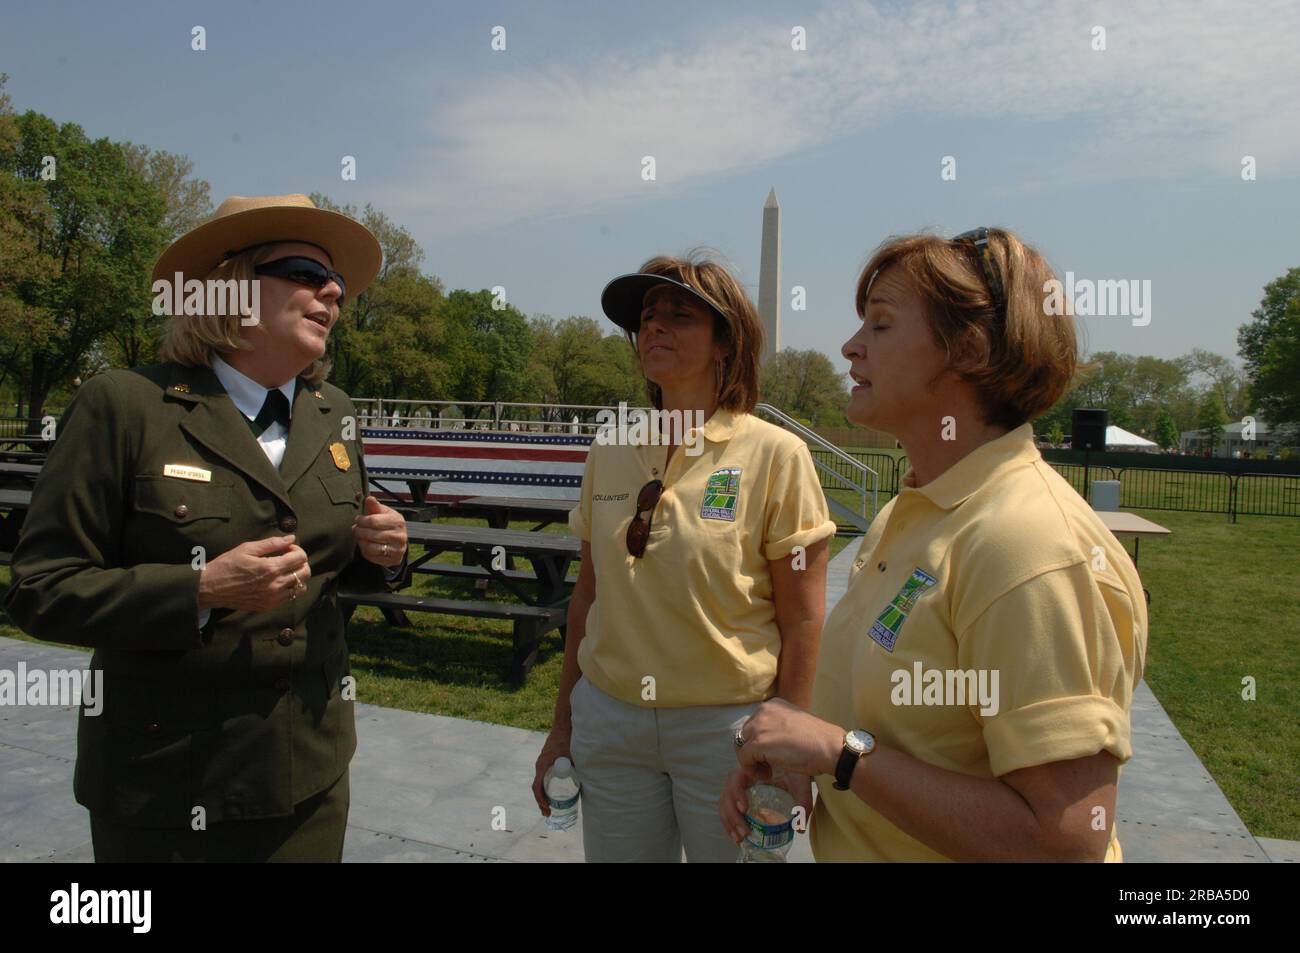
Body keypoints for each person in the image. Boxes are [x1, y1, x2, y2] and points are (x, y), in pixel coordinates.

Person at [4, 194, 409, 862]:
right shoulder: (125, 404)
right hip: (165, 784)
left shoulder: (334, 410)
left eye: (334, 280)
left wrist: (384, 556)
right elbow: (39, 588)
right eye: (306, 271)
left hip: (308, 778)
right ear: (233, 287)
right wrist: (199, 588)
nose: (333, 290)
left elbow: (330, 563)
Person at [721, 227, 1148, 862]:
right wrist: (803, 762)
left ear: (969, 349)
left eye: (882, 325)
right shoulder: (913, 511)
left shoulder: (1027, 546)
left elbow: (1066, 840)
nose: (850, 346)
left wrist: (840, 757)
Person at [531, 253, 836, 861]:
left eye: (680, 315)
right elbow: (587, 598)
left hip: (727, 733)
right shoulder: (612, 447)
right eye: (647, 317)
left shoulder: (777, 456)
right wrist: (562, 723)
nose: (655, 328)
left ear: (726, 341)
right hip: (612, 724)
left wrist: (789, 740)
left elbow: (803, 619)